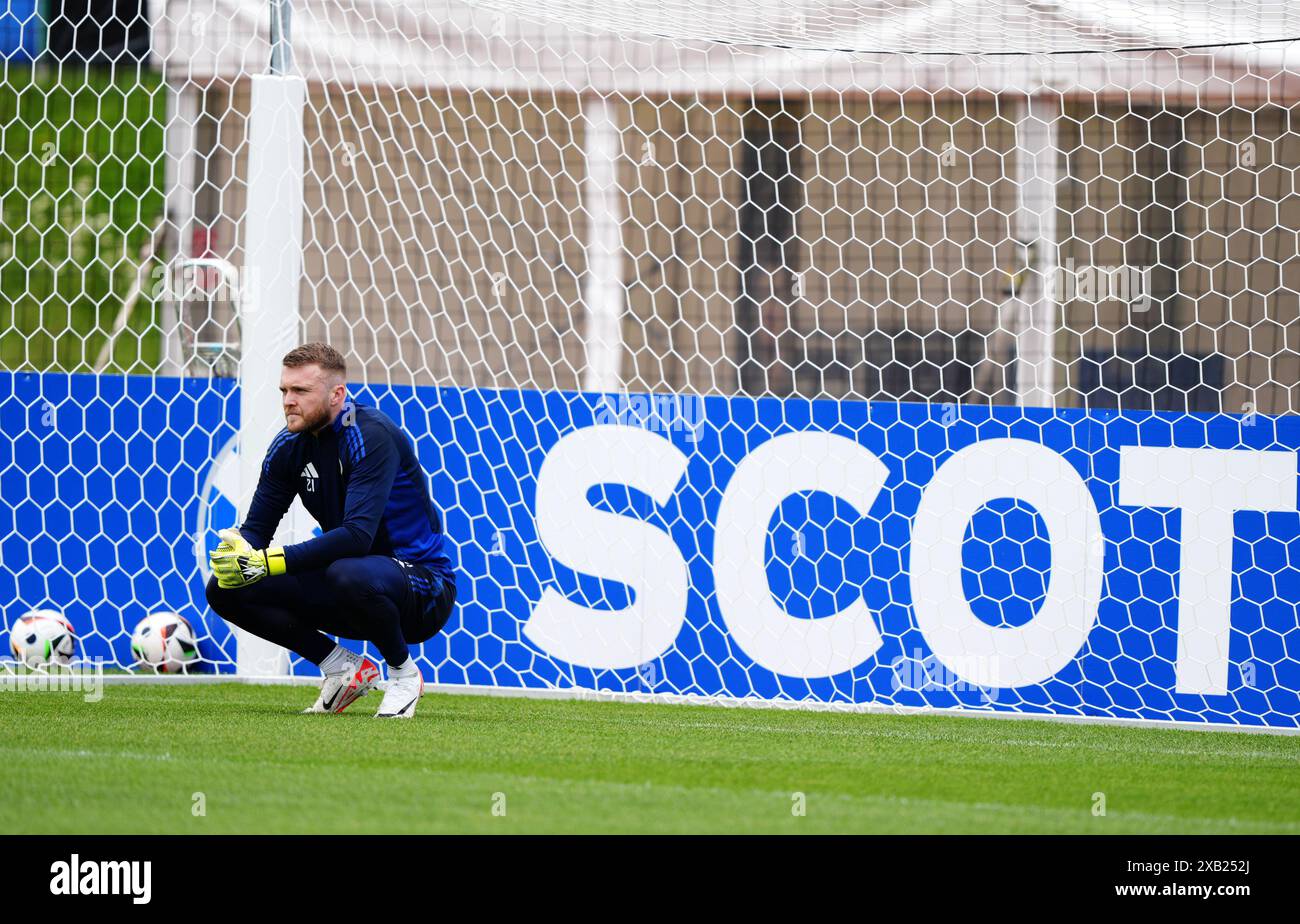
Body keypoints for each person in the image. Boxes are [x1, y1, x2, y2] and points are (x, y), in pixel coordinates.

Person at [205, 342, 456, 718]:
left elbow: (358, 537)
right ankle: (342, 668)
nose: (289, 401)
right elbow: (257, 530)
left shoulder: (371, 435)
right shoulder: (289, 446)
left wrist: (268, 562)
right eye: (284, 391)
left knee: (347, 569)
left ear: (337, 394)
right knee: (224, 590)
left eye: (301, 391)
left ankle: (404, 675)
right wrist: (236, 552)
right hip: (352, 587)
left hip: (423, 591)